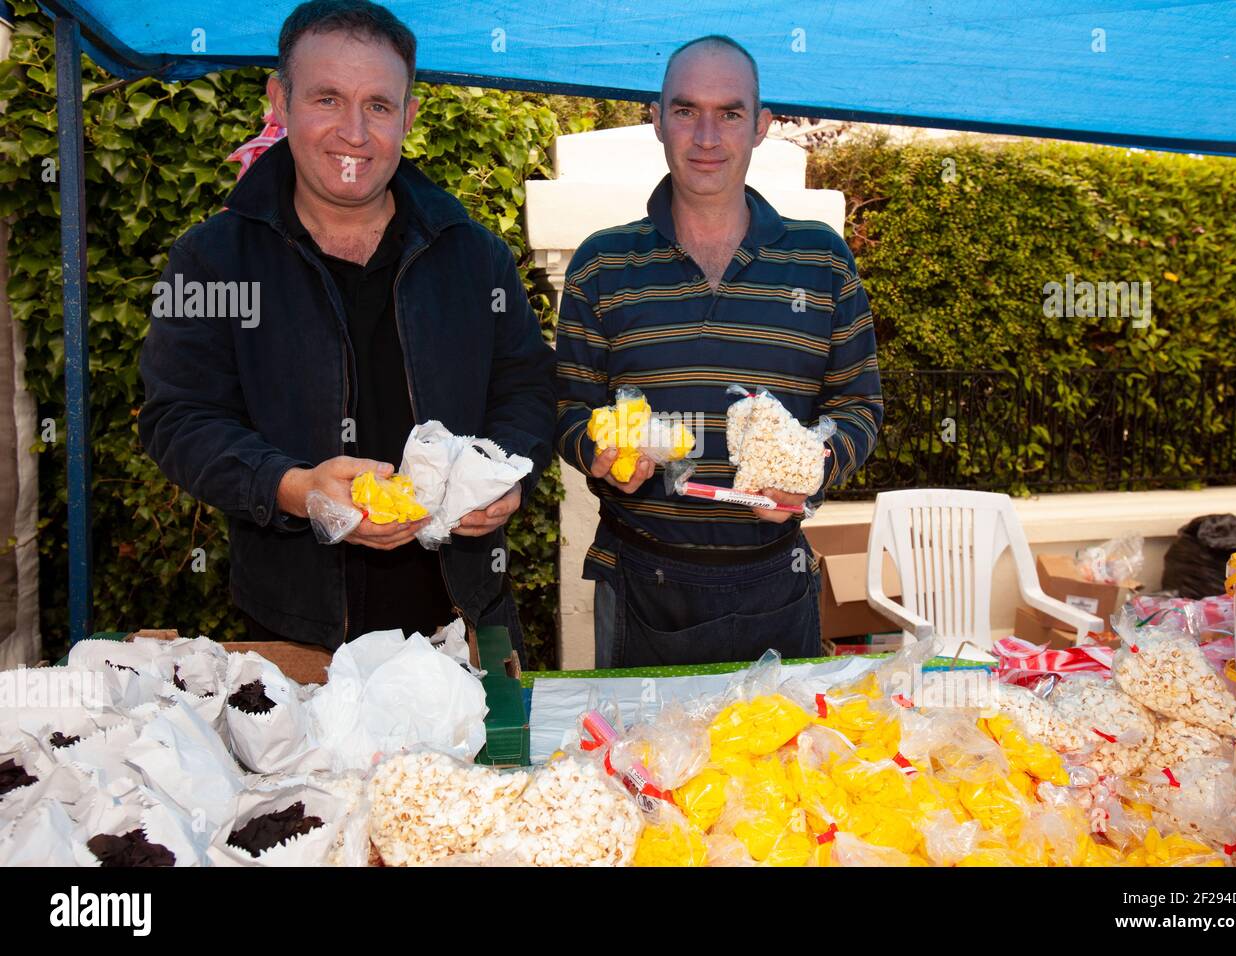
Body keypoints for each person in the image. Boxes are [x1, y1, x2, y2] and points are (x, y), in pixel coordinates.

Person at [140, 0, 555, 658]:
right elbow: (178, 417)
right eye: (327, 99)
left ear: (409, 117)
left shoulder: (473, 256)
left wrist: (506, 472)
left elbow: (528, 387)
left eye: (379, 106)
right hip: (297, 636)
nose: (354, 133)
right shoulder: (214, 259)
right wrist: (293, 488)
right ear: (280, 100)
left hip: (466, 622)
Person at [555, 35, 883, 668]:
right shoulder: (602, 263)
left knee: (779, 763)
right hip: (640, 582)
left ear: (761, 126)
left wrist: (812, 468)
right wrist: (597, 450)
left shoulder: (821, 262)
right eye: (685, 110)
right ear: (657, 119)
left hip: (776, 581)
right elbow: (568, 407)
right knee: (637, 764)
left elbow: (859, 405)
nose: (707, 135)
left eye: (730, 113)